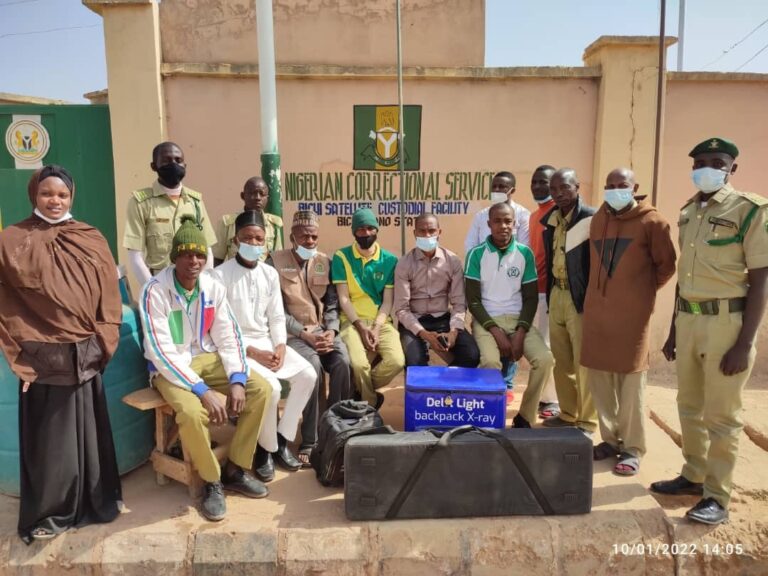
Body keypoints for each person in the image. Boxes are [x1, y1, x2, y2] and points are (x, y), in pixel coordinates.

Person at [0, 166, 123, 543]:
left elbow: (108, 290)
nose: (55, 201)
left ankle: (96, 501)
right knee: (52, 442)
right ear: (34, 195)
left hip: (85, 350)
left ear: (72, 197)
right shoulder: (12, 239)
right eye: (47, 194)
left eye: (62, 195)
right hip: (41, 355)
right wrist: (22, 344)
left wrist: (104, 336)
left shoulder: (90, 237)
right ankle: (50, 514)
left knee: (89, 435)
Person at [651, 138, 768, 525]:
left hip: (726, 323)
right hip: (689, 319)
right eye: (700, 162)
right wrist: (673, 331)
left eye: (716, 162)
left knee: (722, 415)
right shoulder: (689, 212)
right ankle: (694, 474)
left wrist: (744, 343)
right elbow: (684, 276)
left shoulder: (749, 210)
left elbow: (761, 279)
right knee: (689, 405)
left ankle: (717, 495)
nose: (706, 168)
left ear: (732, 168)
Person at [140, 216, 272, 522]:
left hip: (207, 356)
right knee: (191, 412)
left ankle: (236, 468)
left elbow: (228, 335)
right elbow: (161, 350)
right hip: (170, 367)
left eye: (199, 254)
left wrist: (237, 379)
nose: (194, 261)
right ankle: (212, 481)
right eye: (186, 254)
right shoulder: (154, 291)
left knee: (261, 390)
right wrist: (202, 390)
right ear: (174, 257)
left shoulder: (212, 286)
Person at [581, 168, 676, 476]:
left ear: (635, 188)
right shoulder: (599, 218)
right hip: (598, 315)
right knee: (600, 382)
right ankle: (610, 439)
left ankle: (633, 448)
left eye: (622, 185)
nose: (614, 190)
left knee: (631, 384)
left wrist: (639, 293)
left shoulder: (653, 222)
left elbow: (666, 266)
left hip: (633, 318)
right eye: (609, 185)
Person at [215, 211, 316, 482]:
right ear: (236, 240)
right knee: (271, 388)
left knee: (308, 374)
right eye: (247, 238)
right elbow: (221, 327)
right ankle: (264, 451)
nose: (253, 243)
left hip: (269, 343)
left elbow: (276, 317)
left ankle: (281, 440)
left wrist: (280, 346)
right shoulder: (219, 275)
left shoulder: (269, 273)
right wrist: (252, 352)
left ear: (265, 242)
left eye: (258, 239)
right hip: (238, 349)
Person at [271, 210, 353, 467]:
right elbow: (276, 311)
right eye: (304, 236)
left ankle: (335, 429)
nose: (309, 241)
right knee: (313, 367)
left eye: (314, 236)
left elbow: (332, 303)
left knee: (342, 362)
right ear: (292, 237)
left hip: (321, 330)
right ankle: (311, 438)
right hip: (293, 334)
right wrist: (304, 334)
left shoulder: (324, 261)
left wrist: (331, 331)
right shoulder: (274, 262)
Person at [465, 202, 554, 428]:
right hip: (487, 321)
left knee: (545, 360)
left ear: (514, 224)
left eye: (508, 221)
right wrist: (496, 332)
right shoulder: (476, 254)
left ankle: (525, 415)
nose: (503, 226)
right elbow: (473, 301)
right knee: (490, 362)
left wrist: (520, 333)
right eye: (497, 221)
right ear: (489, 224)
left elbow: (531, 299)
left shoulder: (524, 254)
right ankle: (489, 417)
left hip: (517, 320)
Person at [540, 168, 598, 435]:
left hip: (579, 297)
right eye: (553, 189)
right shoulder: (551, 221)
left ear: (577, 187)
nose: (559, 194)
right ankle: (568, 414)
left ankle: (586, 421)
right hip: (557, 294)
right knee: (561, 360)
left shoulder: (590, 218)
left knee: (583, 363)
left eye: (564, 187)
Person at [333, 208, 404, 408]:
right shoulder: (342, 257)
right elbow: (343, 298)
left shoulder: (389, 260)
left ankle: (361, 390)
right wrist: (361, 327)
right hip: (351, 321)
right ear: (354, 232)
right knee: (358, 364)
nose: (366, 233)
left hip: (380, 321)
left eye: (370, 228)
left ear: (377, 230)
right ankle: (370, 405)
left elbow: (387, 301)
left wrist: (376, 328)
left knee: (397, 361)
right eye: (361, 229)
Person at [123, 141, 217, 286]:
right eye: (166, 161)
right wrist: (153, 288)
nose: (174, 164)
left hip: (193, 283)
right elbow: (135, 255)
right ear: (154, 166)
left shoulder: (195, 203)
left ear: (185, 165)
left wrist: (202, 285)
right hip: (159, 281)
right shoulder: (140, 203)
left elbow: (208, 250)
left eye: (178, 160)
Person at [394, 213, 480, 368]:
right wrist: (424, 334)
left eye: (431, 231)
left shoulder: (452, 261)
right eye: (422, 231)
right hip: (414, 320)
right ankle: (422, 383)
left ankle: (444, 382)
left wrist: (454, 332)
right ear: (415, 233)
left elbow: (459, 304)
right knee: (414, 361)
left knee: (471, 355)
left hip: (443, 320)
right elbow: (402, 309)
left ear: (439, 232)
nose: (427, 235)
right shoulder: (404, 264)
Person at [527, 164, 561, 419]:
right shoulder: (533, 216)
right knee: (537, 346)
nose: (538, 186)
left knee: (548, 347)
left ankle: (551, 400)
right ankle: (542, 396)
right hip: (533, 290)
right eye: (535, 182)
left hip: (551, 290)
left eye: (544, 182)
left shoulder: (559, 213)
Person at [213, 176, 283, 264]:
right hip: (236, 271)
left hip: (263, 271)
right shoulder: (227, 223)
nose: (258, 198)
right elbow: (217, 259)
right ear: (243, 196)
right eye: (253, 193)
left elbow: (277, 258)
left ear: (267, 198)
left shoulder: (274, 224)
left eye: (262, 194)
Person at [464, 171, 531, 253]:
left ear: (512, 190)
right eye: (494, 186)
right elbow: (470, 244)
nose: (496, 190)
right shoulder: (481, 215)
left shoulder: (523, 215)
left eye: (501, 187)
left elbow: (524, 247)